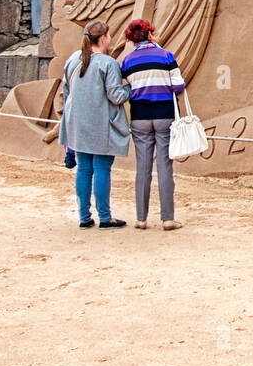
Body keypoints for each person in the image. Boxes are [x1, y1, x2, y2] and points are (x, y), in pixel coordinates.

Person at [59, 20, 131, 229]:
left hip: (77, 122)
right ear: (102, 38)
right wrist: (131, 88)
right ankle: (105, 217)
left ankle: (84, 217)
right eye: (108, 35)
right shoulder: (108, 63)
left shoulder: (73, 59)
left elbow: (66, 91)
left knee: (83, 168)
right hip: (100, 123)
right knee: (101, 168)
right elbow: (116, 96)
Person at [120, 18, 186, 231]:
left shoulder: (127, 61)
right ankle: (168, 219)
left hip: (139, 117)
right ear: (150, 34)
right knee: (165, 166)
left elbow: (124, 88)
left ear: (131, 39)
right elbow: (179, 85)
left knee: (143, 167)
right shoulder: (166, 56)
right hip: (164, 115)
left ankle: (141, 218)